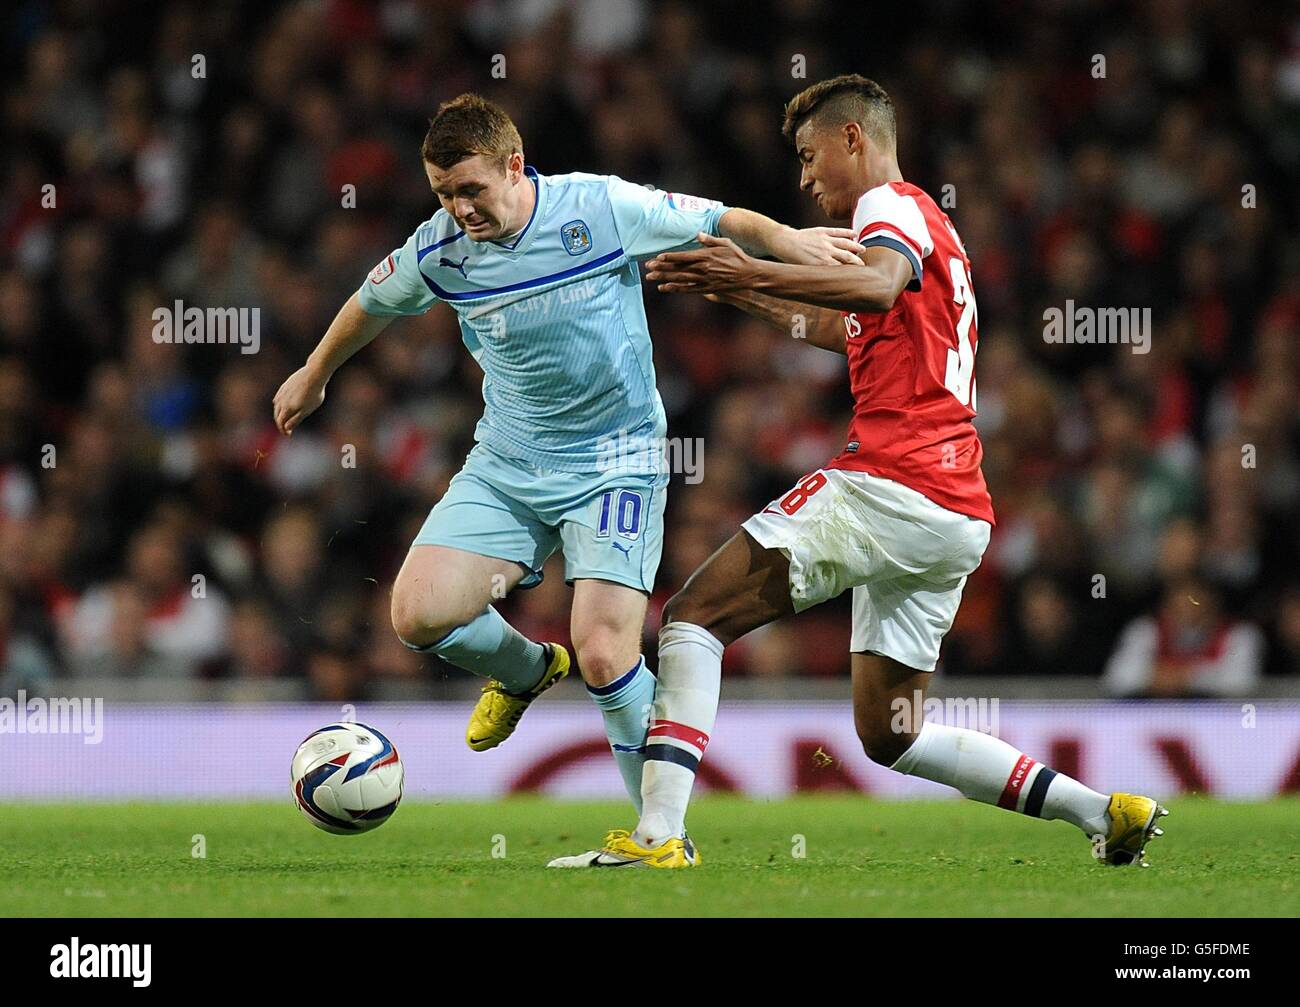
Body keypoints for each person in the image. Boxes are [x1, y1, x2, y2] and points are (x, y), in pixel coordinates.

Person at [550, 75, 1167, 869]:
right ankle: (1105, 811)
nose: (804, 180)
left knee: (692, 617)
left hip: (892, 481)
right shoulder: (932, 231)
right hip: (955, 511)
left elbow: (873, 288)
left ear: (853, 139)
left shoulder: (890, 206)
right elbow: (851, 327)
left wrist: (753, 272)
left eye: (809, 157)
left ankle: (659, 835)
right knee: (892, 733)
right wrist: (736, 287)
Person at [272, 93, 864, 821]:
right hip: (509, 461)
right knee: (417, 614)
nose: (459, 207)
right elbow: (369, 301)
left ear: (515, 167)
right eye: (444, 193)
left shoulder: (598, 208)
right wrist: (316, 371)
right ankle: (524, 670)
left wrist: (790, 241)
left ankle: (658, 831)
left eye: (471, 189)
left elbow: (716, 217)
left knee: (608, 653)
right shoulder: (440, 250)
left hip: (616, 459)